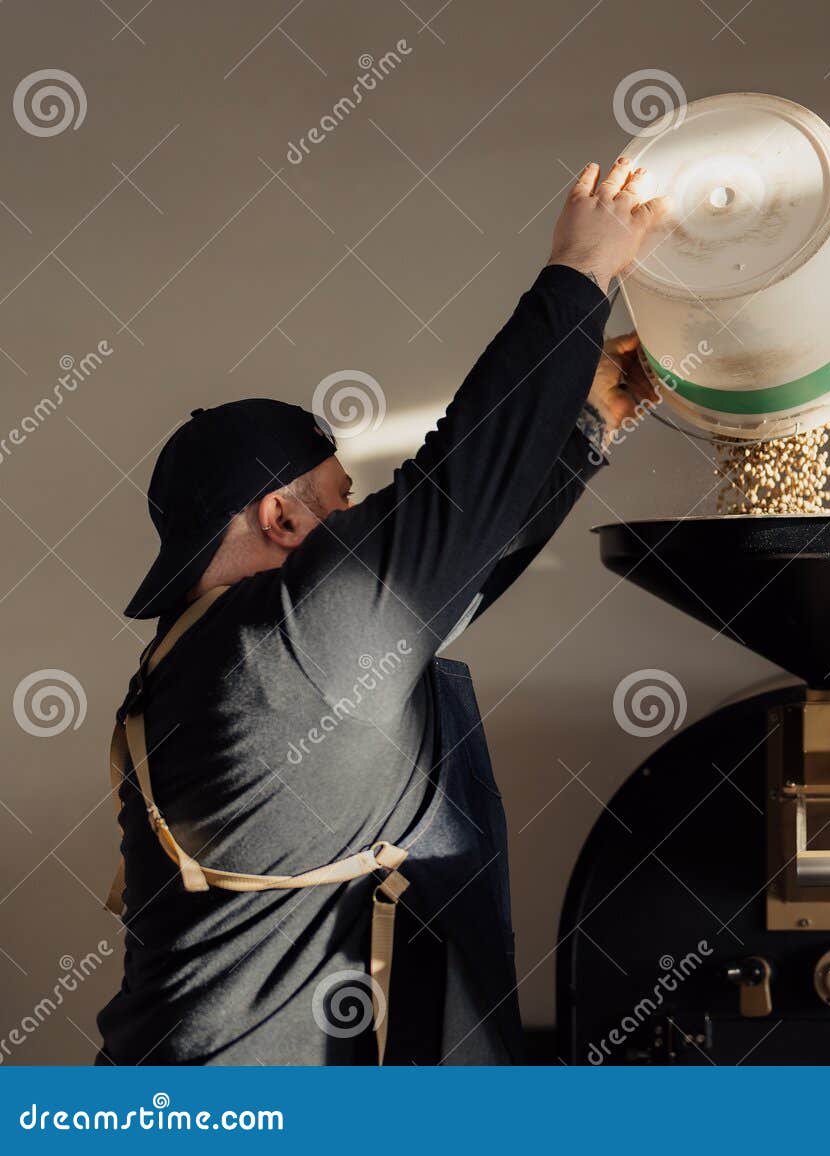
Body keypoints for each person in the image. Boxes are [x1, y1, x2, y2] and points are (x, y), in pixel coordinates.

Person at [96, 158, 670, 1064]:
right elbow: (457, 494)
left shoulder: (224, 661)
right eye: (342, 497)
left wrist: (589, 421)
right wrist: (581, 272)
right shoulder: (268, 655)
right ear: (283, 518)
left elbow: (460, 566)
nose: (365, 520)